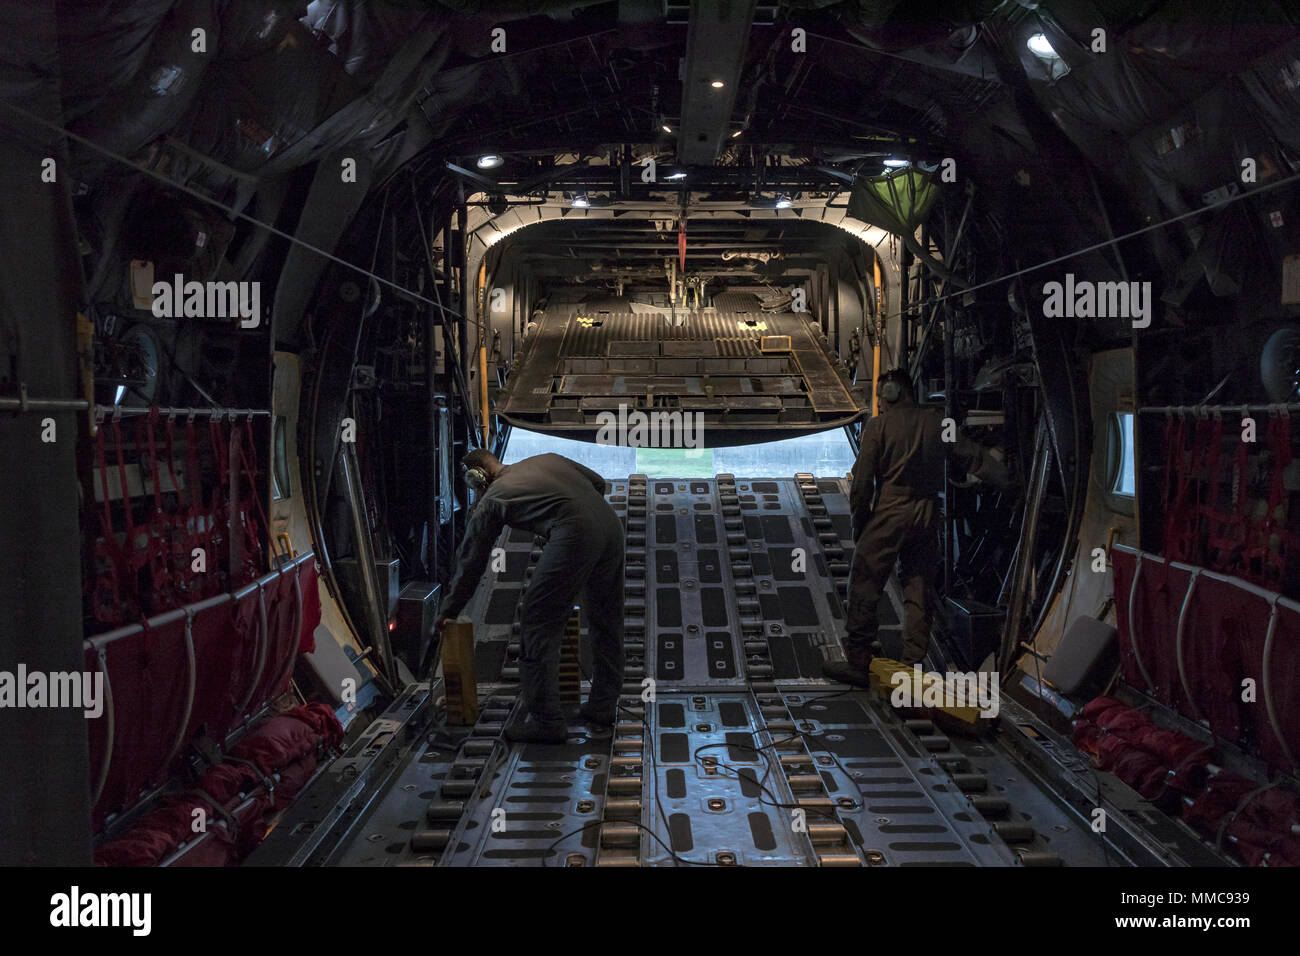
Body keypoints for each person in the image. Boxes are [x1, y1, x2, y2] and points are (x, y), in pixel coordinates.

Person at [825, 369, 1013, 686]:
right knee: (918, 586)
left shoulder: (878, 427)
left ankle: (859, 662)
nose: (880, 402)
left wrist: (860, 524)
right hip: (927, 512)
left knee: (865, 583)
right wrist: (1010, 484)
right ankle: (912, 664)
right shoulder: (938, 423)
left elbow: (861, 485)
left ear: (893, 393)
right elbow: (973, 458)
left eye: (881, 395)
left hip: (889, 511)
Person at [434, 449, 625, 743]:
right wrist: (558, 517)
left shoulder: (493, 498)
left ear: (476, 479)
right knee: (606, 620)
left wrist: (449, 610)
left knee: (537, 622)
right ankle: (602, 706)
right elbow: (598, 483)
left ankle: (546, 722)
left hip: (575, 534)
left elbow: (472, 562)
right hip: (611, 527)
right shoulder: (545, 459)